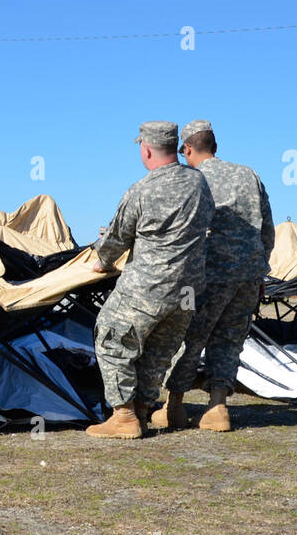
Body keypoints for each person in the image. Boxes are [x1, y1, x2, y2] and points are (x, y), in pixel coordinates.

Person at [86, 121, 214, 439]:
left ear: (145, 149)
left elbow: (116, 237)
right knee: (159, 350)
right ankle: (142, 411)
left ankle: (124, 415)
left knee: (112, 338)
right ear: (175, 147)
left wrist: (101, 262)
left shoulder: (143, 189)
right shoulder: (198, 183)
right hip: (187, 290)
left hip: (148, 285)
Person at [153, 120, 275, 432]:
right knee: (230, 339)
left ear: (188, 148)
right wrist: (260, 269)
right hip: (249, 273)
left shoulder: (191, 180)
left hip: (206, 275)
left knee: (188, 338)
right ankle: (218, 406)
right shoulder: (249, 175)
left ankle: (174, 406)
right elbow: (267, 230)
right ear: (215, 147)